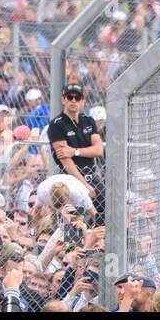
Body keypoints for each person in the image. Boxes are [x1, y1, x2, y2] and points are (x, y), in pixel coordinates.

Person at [48, 82, 104, 221]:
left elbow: (98, 150)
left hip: (91, 175)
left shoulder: (88, 120)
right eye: (69, 97)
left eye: (77, 97)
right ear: (63, 99)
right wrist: (84, 185)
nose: (73, 100)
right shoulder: (57, 124)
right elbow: (65, 159)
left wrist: (75, 151)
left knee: (103, 213)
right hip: (71, 179)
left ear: (82, 101)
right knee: (73, 220)